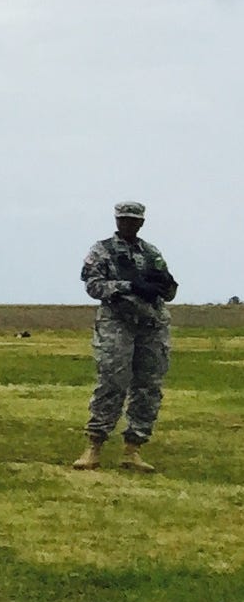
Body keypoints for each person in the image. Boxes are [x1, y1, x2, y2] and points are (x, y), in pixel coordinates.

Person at [74, 200, 174, 472]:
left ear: (141, 222)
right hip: (117, 323)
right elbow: (93, 285)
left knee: (149, 386)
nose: (128, 223)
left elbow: (168, 288)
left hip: (151, 325)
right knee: (112, 382)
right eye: (123, 219)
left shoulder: (151, 252)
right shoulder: (102, 250)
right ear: (117, 220)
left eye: (133, 220)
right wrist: (128, 285)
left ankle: (133, 448)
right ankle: (94, 445)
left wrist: (162, 284)